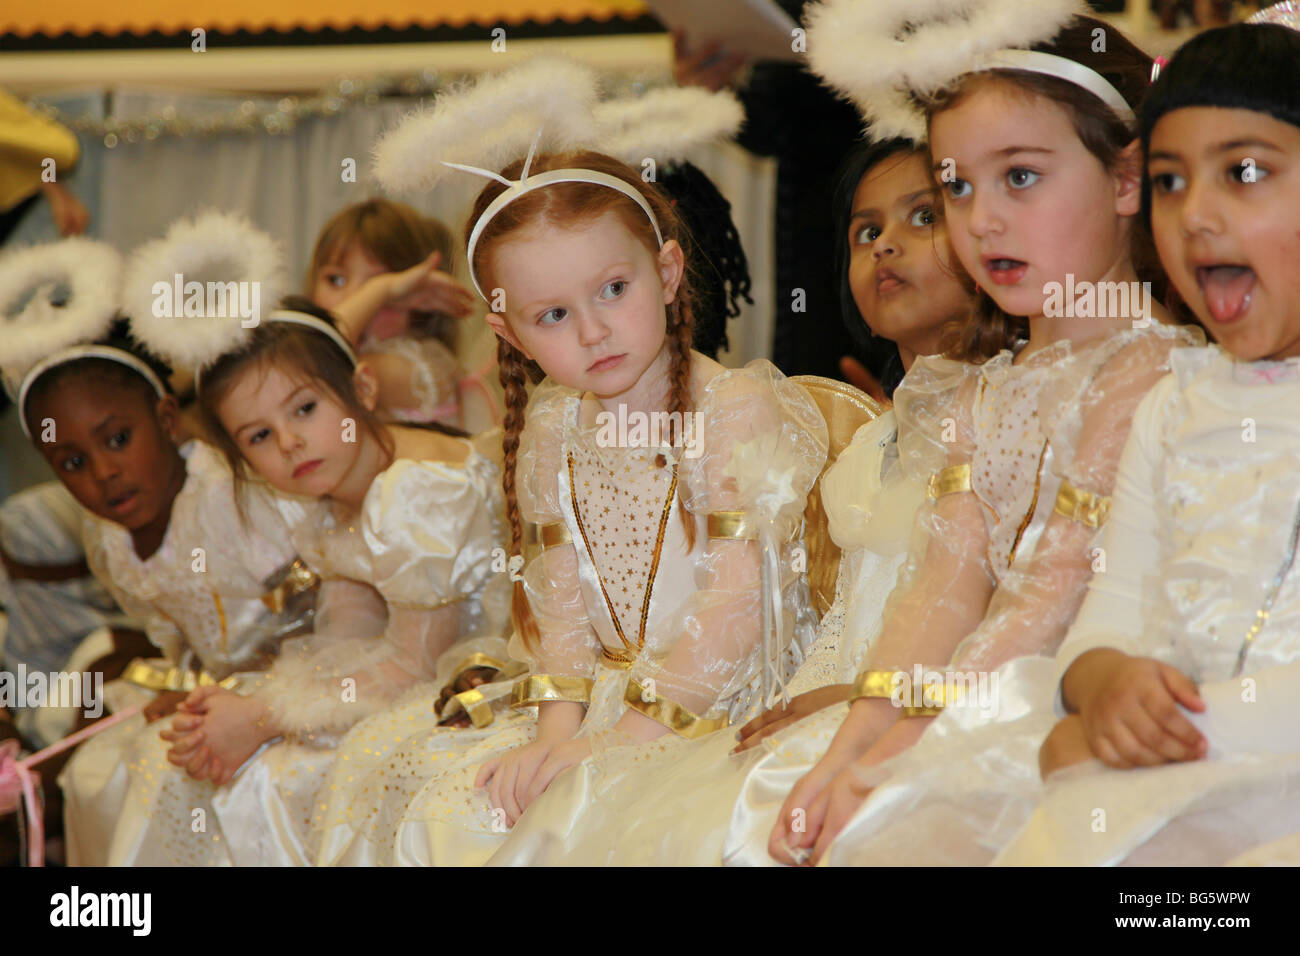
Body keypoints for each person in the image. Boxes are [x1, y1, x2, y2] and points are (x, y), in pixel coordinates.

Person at [768, 4, 1202, 866]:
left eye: (1022, 177)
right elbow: (943, 592)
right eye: (957, 186)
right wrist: (854, 742)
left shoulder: (1152, 374)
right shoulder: (982, 393)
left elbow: (1049, 596)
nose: (983, 220)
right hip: (972, 702)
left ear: (1127, 180)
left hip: (1080, 715)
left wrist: (915, 744)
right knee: (781, 810)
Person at [998, 14, 1300, 867]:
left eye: (1244, 172)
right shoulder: (1175, 405)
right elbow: (1114, 610)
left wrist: (1142, 738)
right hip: (1170, 781)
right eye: (1168, 181)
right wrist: (1100, 690)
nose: (1196, 214)